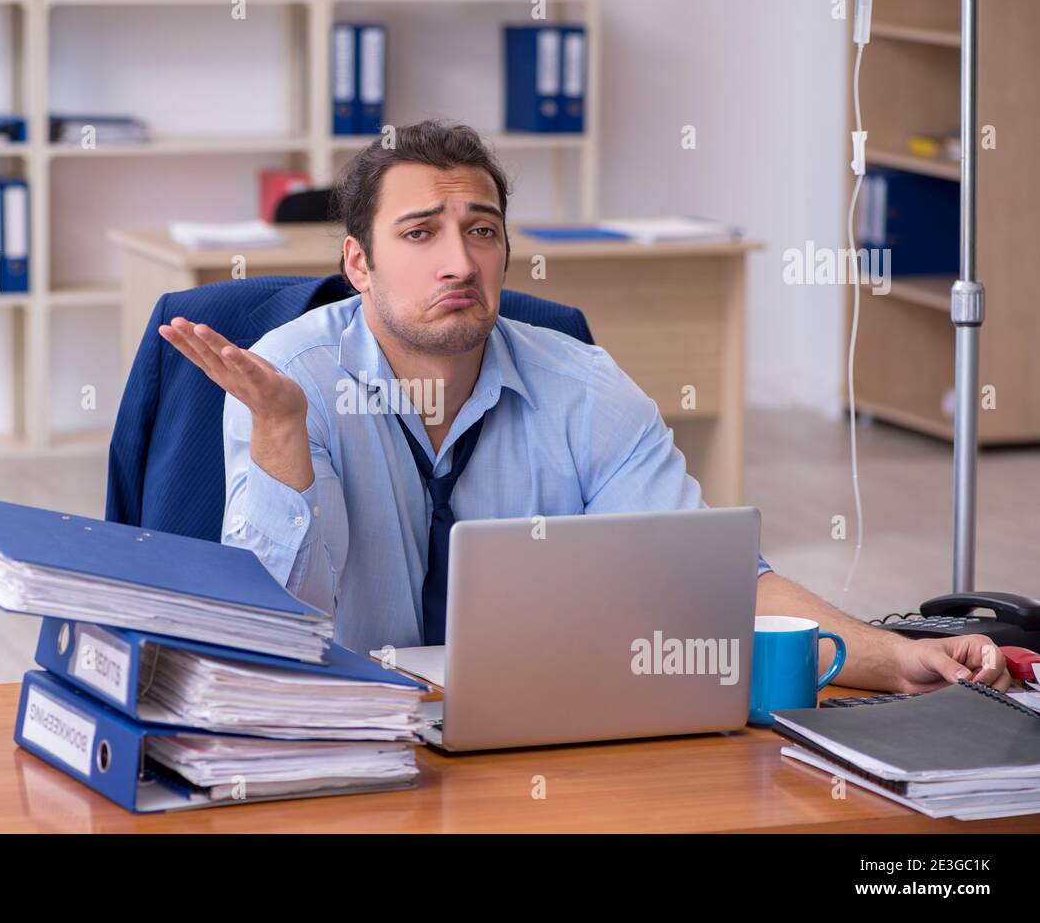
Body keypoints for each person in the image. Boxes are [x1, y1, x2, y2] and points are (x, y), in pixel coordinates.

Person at [159, 119, 1009, 695]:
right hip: (346, 728)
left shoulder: (587, 386)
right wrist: (280, 437)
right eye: (420, 233)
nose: (459, 260)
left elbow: (709, 582)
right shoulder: (288, 378)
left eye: (483, 229)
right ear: (359, 263)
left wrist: (896, 655)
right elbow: (278, 630)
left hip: (545, 722)